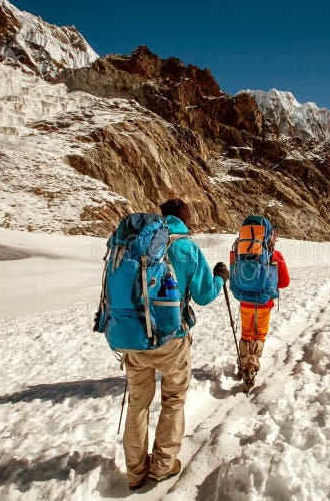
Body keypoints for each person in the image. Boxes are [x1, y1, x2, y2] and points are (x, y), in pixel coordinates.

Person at [123, 198, 228, 490]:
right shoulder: (186, 247)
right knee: (173, 400)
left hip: (135, 337)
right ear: (184, 219)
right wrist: (220, 278)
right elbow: (204, 295)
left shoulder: (138, 242)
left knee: (138, 404)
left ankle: (135, 471)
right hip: (172, 339)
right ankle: (163, 465)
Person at [232, 225, 290, 388]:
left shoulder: (240, 254)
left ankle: (243, 362)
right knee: (259, 335)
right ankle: (251, 366)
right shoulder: (276, 256)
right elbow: (285, 282)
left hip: (245, 301)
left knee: (246, 333)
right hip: (264, 302)